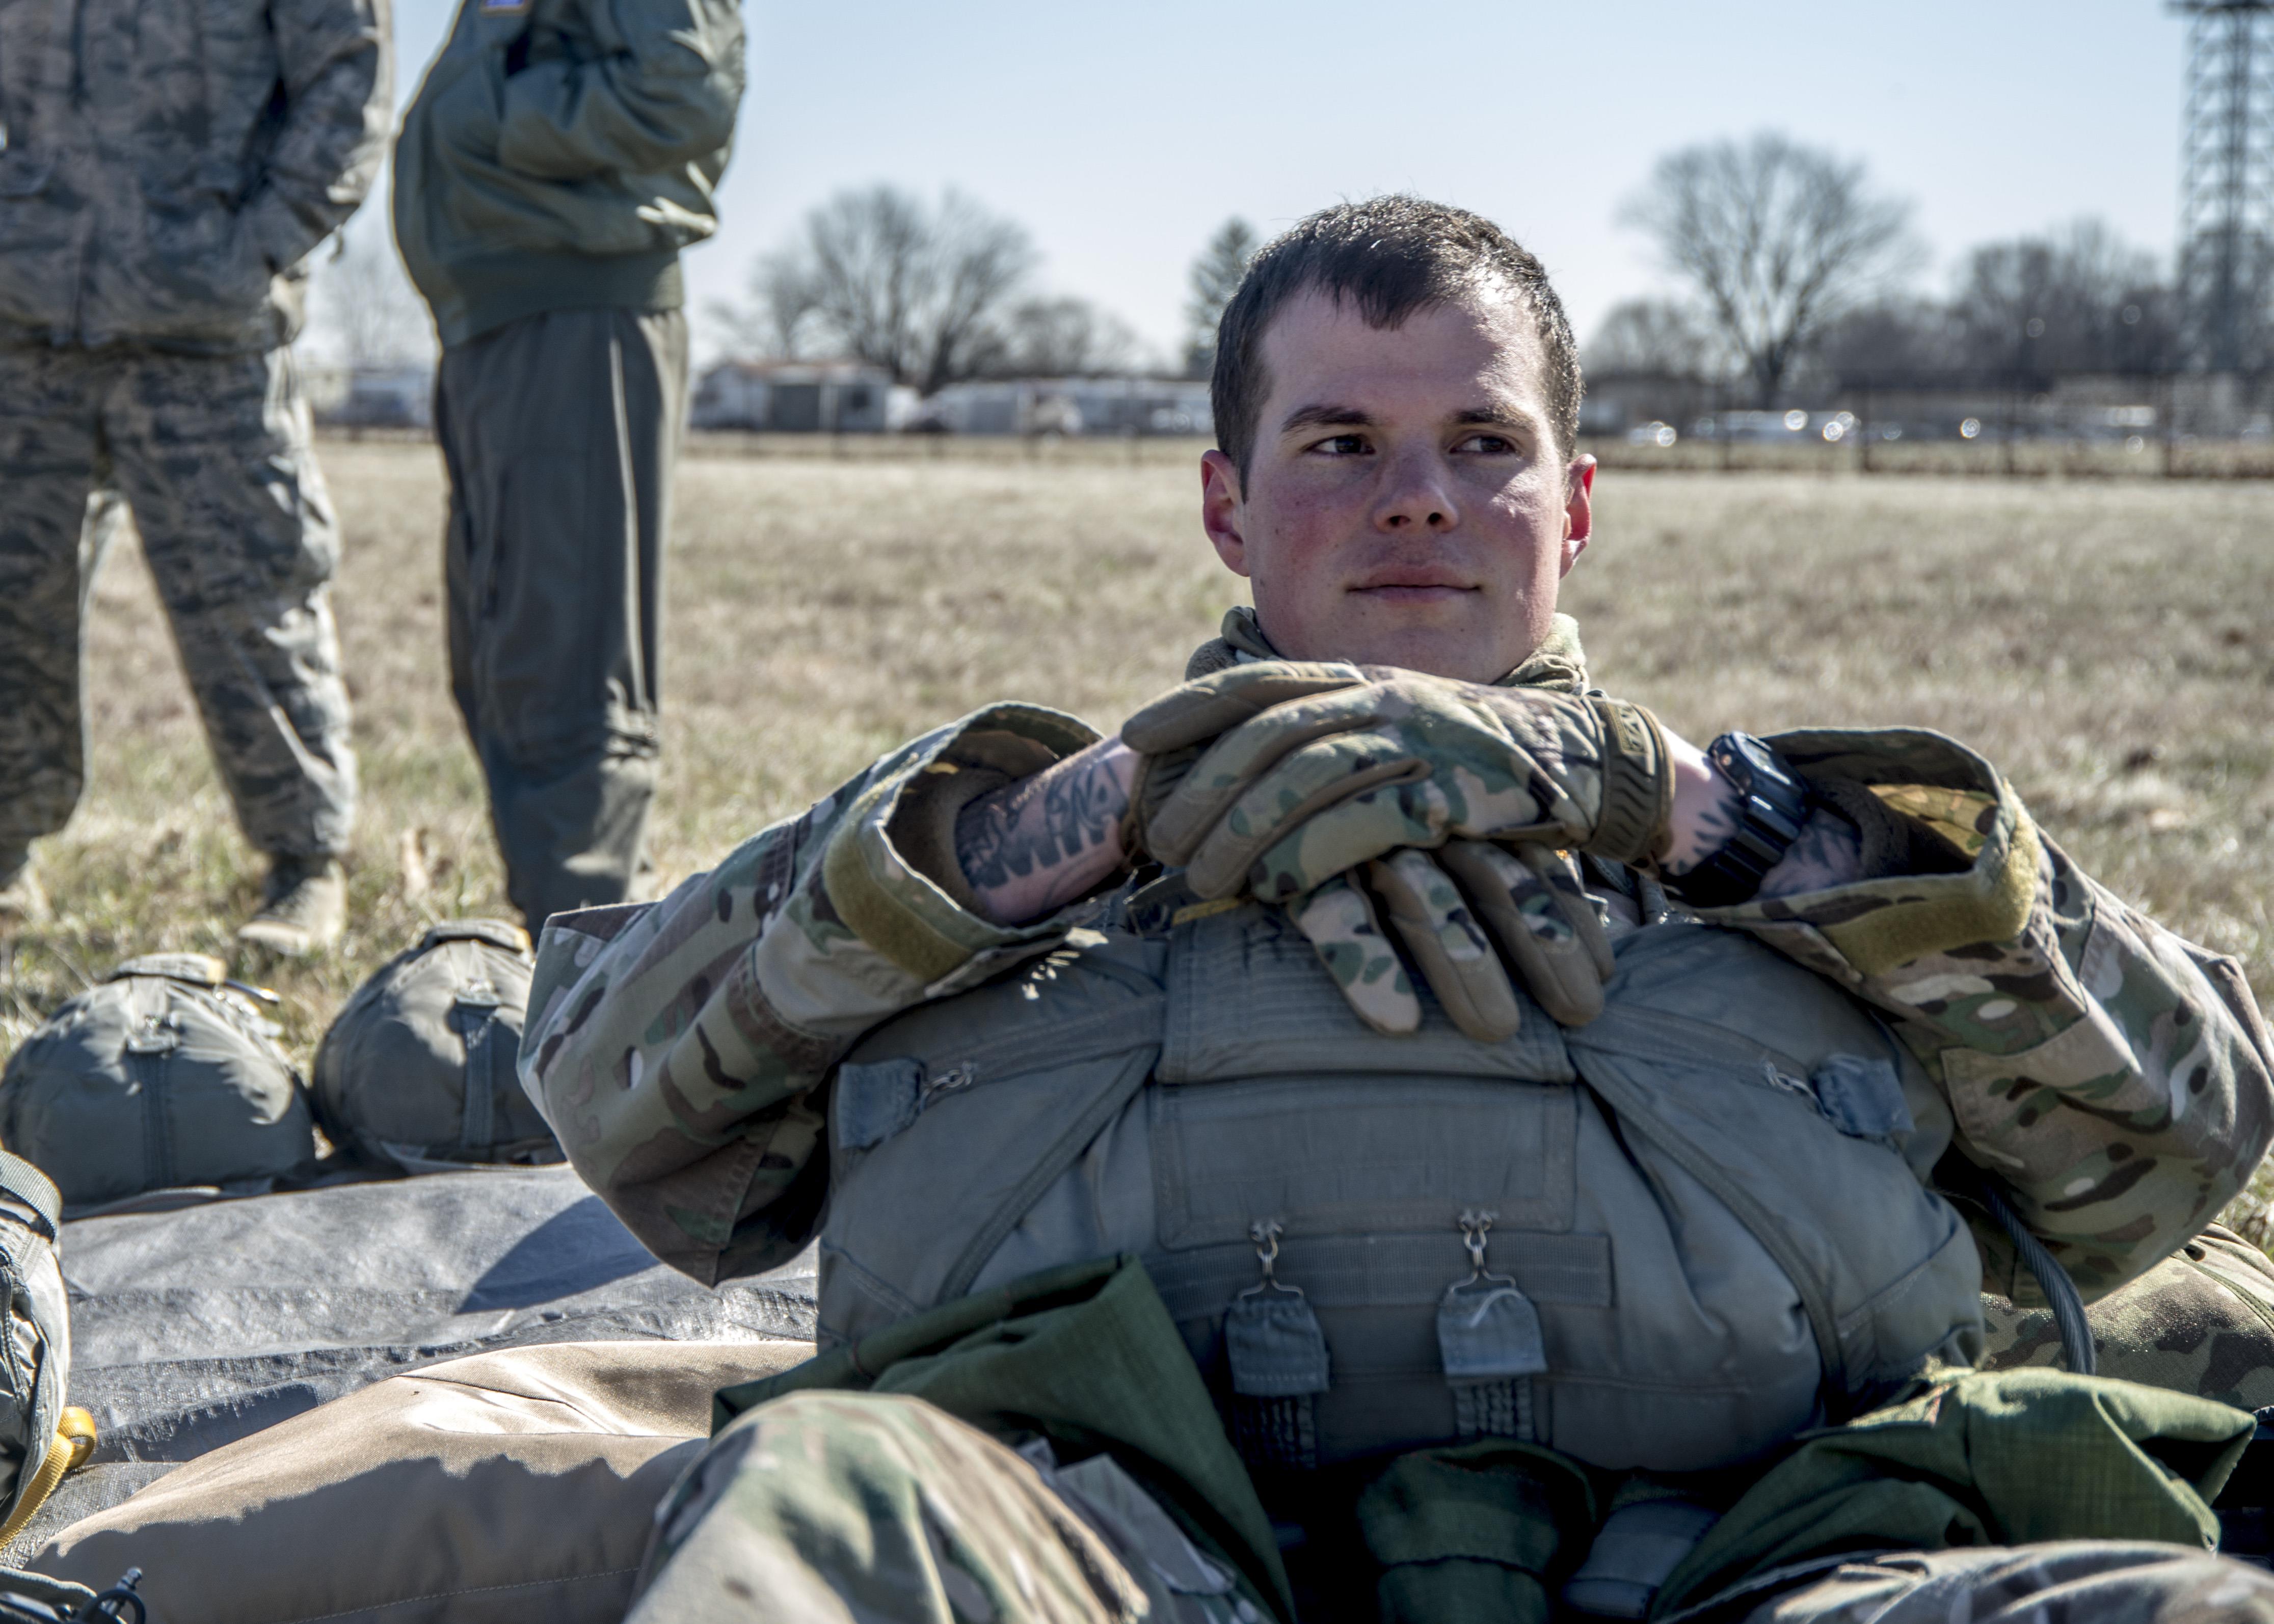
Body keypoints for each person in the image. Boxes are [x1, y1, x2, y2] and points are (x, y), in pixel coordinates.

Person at [522, 199, 2274, 1622]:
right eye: (1340, 439)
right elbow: (616, 1098)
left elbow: (2194, 1117)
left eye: (1481, 441)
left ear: (1572, 507)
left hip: (1774, 1561)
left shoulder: (1777, 861)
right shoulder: (1018, 868)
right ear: (1226, 501)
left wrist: (1690, 810)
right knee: (813, 1522)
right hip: (1086, 1552)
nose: (1417, 494)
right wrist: (1059, 824)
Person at [0, 0, 389, 950]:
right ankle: (6, 853)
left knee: (252, 595)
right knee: (10, 597)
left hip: (205, 334)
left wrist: (250, 247)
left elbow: (350, 79)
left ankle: (304, 864)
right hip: (26, 318)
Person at [391, 0, 744, 929]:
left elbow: (682, 96)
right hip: (503, 315)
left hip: (575, 310)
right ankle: (565, 943)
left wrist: (486, 119)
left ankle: (590, 965)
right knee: (507, 653)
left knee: (569, 668)